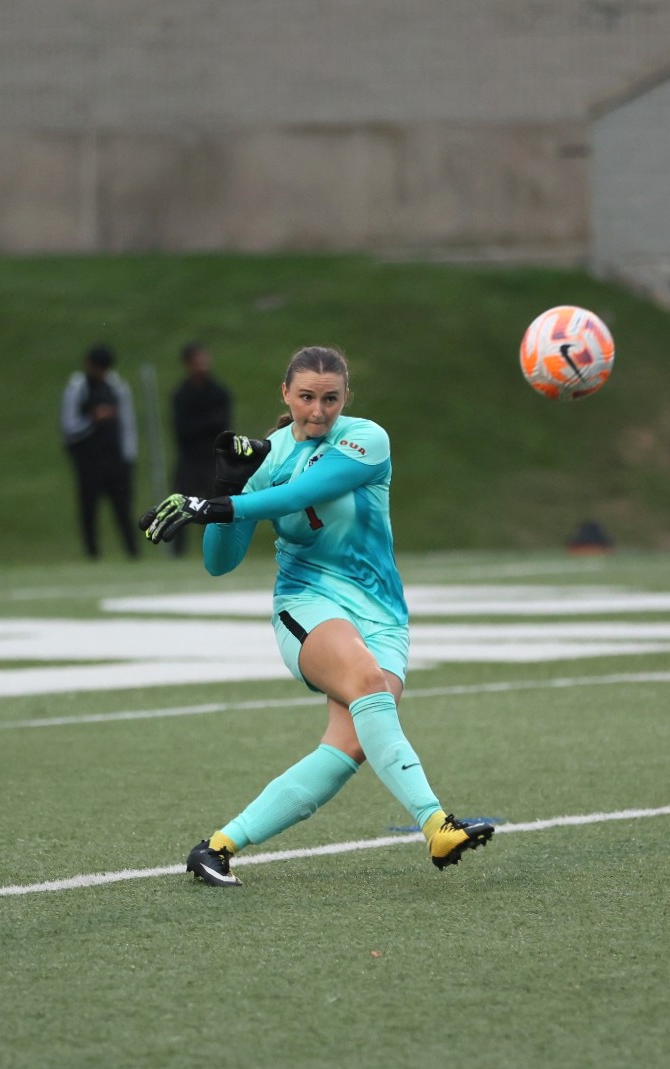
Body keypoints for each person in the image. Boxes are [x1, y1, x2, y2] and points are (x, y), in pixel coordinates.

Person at [137, 345, 492, 887]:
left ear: (346, 397)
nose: (318, 410)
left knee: (349, 744)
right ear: (285, 394)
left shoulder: (366, 438)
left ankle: (217, 847)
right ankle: (436, 825)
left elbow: (303, 493)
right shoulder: (267, 457)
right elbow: (220, 562)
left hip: (381, 613)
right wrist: (229, 485)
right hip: (307, 602)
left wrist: (215, 505)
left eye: (330, 398)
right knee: (368, 683)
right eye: (306, 397)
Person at [59, 344, 139, 559]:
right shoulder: (77, 387)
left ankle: (133, 552)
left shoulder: (118, 387)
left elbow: (127, 424)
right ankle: (92, 553)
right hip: (88, 460)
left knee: (123, 508)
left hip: (115, 459)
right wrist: (93, 419)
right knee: (89, 509)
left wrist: (128, 457)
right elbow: (69, 426)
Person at [167, 341, 232, 555]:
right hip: (189, 458)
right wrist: (208, 422)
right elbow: (182, 430)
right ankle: (177, 552)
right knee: (181, 505)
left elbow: (223, 425)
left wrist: (201, 424)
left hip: (212, 458)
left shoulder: (218, 392)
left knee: (215, 507)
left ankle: (216, 550)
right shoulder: (182, 394)